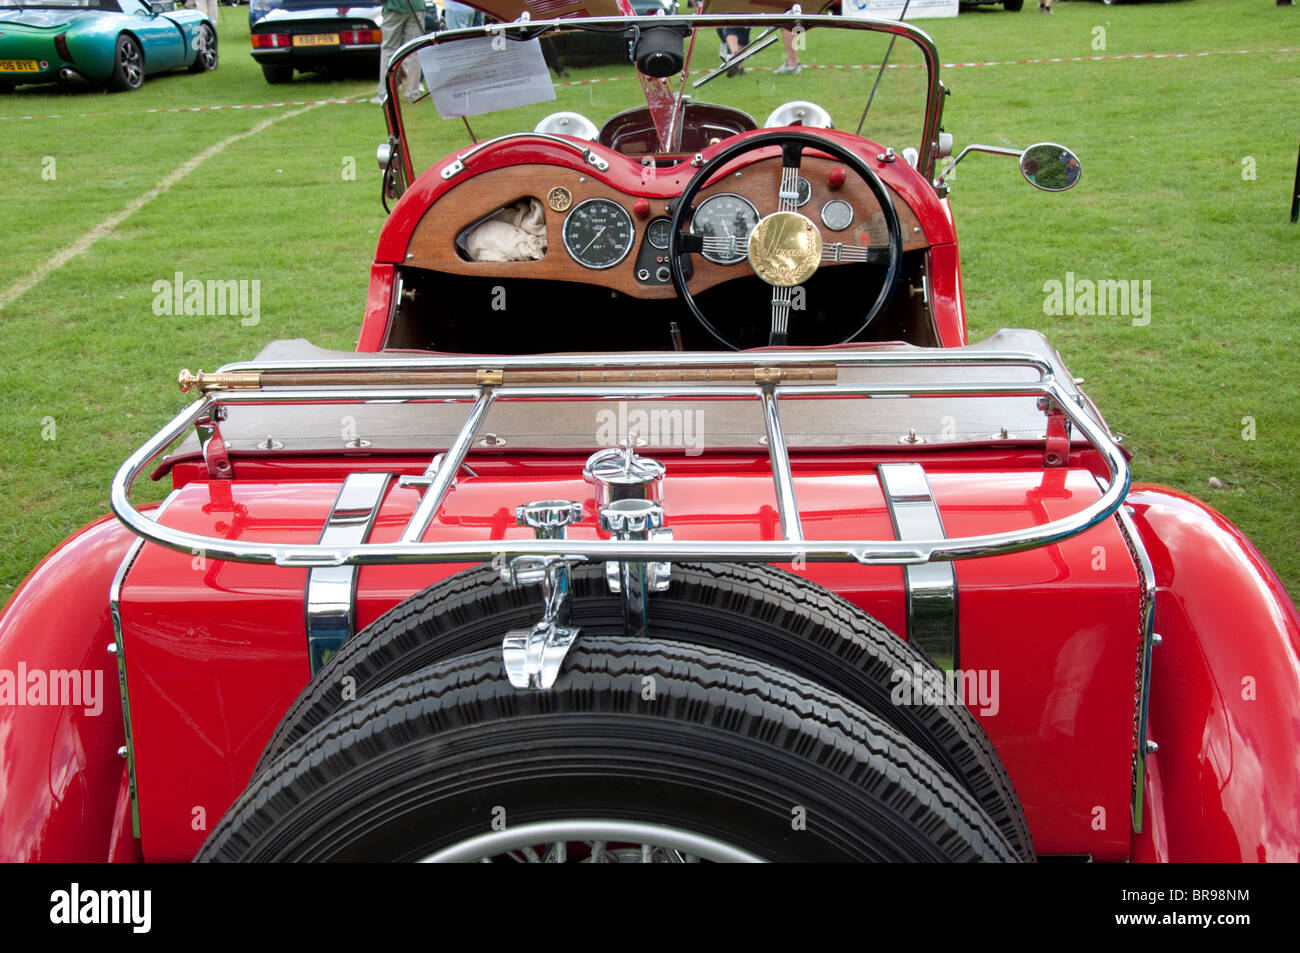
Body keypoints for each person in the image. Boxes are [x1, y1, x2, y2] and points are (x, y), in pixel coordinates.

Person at [375, 0, 429, 104]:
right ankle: (413, 94)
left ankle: (386, 94)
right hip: (416, 7)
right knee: (413, 51)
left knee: (389, 50)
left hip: (393, 7)